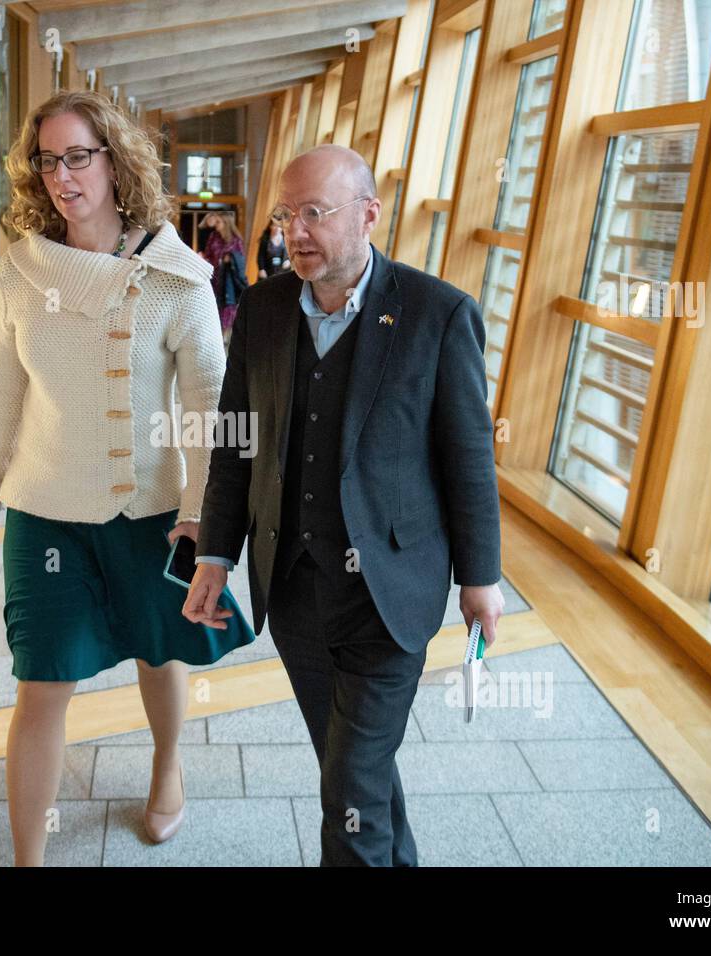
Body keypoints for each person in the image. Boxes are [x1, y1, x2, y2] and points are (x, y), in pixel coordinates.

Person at [0, 89, 255, 866]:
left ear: (114, 160)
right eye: (47, 160)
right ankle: (28, 860)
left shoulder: (174, 274)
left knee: (162, 654)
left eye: (78, 155)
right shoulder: (22, 269)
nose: (63, 175)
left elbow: (208, 407)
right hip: (46, 511)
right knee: (42, 682)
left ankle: (166, 772)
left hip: (153, 511)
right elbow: (1, 386)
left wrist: (200, 513)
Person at [184, 144, 504, 866]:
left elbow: (468, 458)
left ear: (369, 214)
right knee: (352, 770)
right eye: (287, 215)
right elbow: (234, 444)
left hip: (389, 597)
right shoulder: (263, 311)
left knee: (349, 789)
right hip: (294, 591)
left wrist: (481, 578)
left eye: (315, 213)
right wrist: (214, 556)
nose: (295, 231)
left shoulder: (437, 314)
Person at [200, 210, 246, 343]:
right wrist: (203, 257)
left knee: (228, 306)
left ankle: (225, 335)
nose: (216, 225)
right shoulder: (213, 236)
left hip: (228, 280)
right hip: (214, 278)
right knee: (214, 305)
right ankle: (215, 334)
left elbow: (241, 261)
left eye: (219, 222)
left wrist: (230, 258)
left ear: (226, 223)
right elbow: (208, 254)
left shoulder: (235, 240)